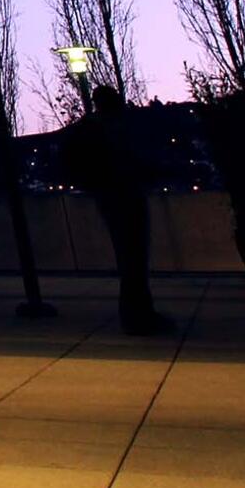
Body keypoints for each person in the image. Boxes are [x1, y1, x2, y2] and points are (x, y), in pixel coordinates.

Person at [64, 85, 172, 335]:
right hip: (123, 195)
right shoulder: (110, 130)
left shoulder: (90, 130)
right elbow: (130, 160)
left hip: (111, 196)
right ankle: (139, 317)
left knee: (130, 259)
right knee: (134, 259)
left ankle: (137, 315)